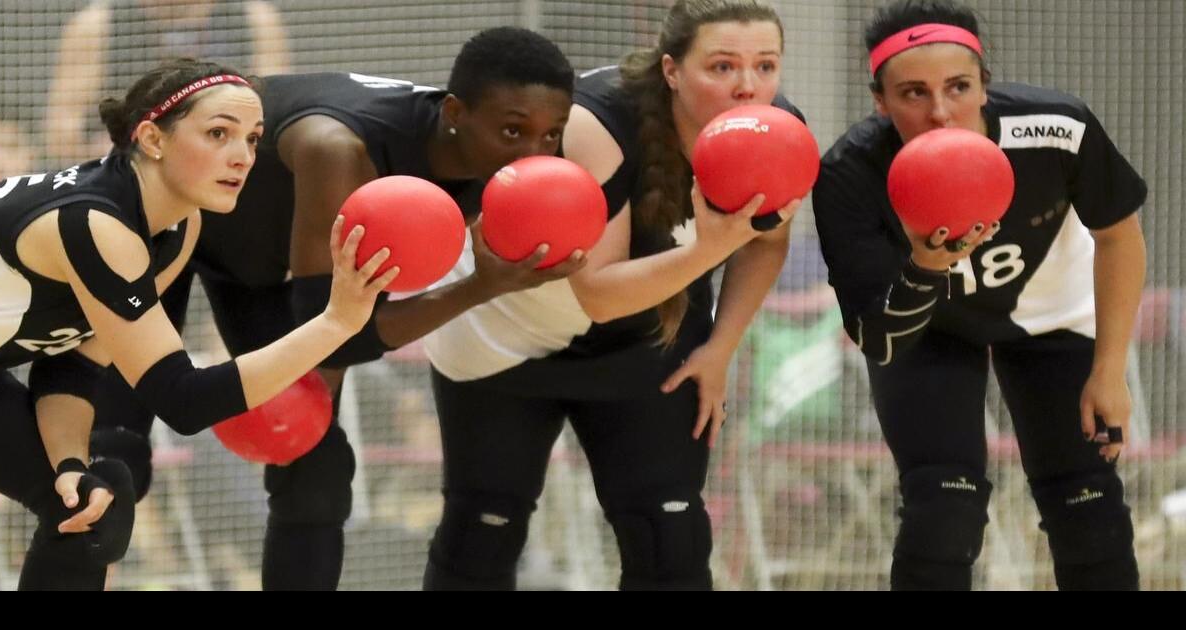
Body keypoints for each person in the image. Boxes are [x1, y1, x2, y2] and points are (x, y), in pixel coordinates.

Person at [90, 27, 583, 590]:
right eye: (513, 130)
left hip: (260, 266)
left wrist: (309, 405)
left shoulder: (484, 156)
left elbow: (334, 327)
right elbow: (335, 332)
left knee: (317, 469)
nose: (531, 153)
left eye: (551, 136)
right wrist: (481, 287)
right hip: (162, 218)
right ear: (454, 112)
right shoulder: (341, 148)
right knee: (115, 450)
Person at [421, 0, 802, 590]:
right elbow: (596, 293)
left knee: (668, 538)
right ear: (672, 70)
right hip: (506, 335)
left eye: (766, 66)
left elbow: (764, 243)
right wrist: (705, 251)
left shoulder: (776, 128)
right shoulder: (596, 121)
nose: (748, 88)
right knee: (482, 533)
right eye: (722, 67)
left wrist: (721, 346)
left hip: (647, 342)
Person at [0, 57, 392, 590]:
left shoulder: (178, 228)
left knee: (91, 506)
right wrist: (336, 323)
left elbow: (73, 371)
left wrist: (67, 464)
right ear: (152, 138)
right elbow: (183, 399)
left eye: (252, 138)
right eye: (218, 133)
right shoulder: (93, 223)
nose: (243, 157)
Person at [812, 0, 1146, 590]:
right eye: (913, 93)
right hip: (929, 332)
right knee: (943, 512)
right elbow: (880, 340)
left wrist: (1110, 368)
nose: (940, 111)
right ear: (880, 101)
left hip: (1050, 318)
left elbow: (1118, 235)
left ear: (985, 86)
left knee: (1089, 510)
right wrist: (924, 266)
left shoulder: (1058, 129)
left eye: (958, 87)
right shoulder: (849, 172)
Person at [46, 0, 290, 163]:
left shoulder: (253, 20)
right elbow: (60, 134)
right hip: (133, 176)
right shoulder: (99, 25)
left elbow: (276, 116)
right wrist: (112, 153)